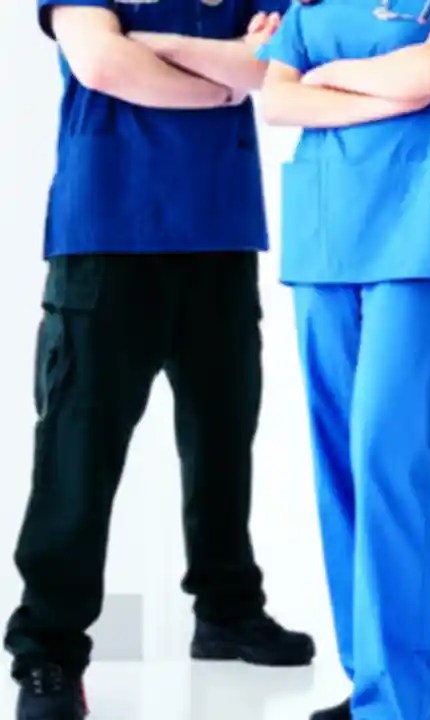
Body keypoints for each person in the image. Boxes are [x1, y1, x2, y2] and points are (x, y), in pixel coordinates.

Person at [7, 1, 317, 717]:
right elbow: (100, 62)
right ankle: (48, 650)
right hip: (107, 232)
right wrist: (216, 87)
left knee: (223, 439)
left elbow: (271, 68)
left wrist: (154, 45)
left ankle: (226, 610)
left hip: (220, 228)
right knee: (78, 451)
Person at [255, 0, 430, 716]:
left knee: (387, 453)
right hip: (324, 233)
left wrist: (328, 78)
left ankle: (403, 700)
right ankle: (368, 677)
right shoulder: (308, 5)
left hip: (419, 223)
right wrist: (384, 84)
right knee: (339, 463)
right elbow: (277, 101)